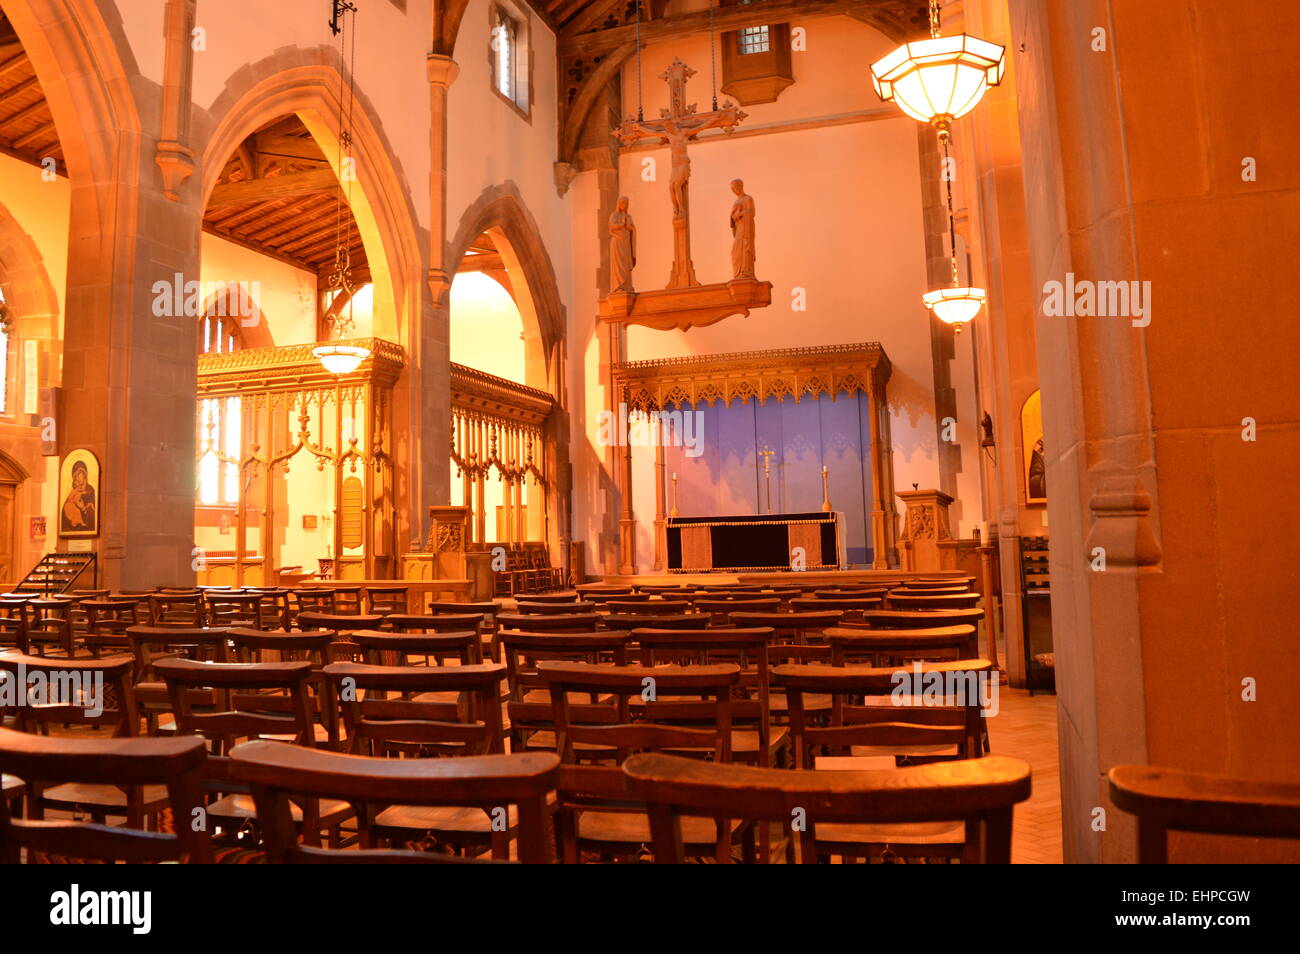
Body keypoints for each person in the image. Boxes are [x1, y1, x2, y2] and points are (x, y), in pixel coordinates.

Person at [61, 459, 96, 532]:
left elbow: (93, 515)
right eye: (75, 475)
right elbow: (64, 517)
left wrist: (83, 509)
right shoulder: (74, 491)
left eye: (79, 474)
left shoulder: (90, 491)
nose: (78, 477)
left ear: (85, 475)